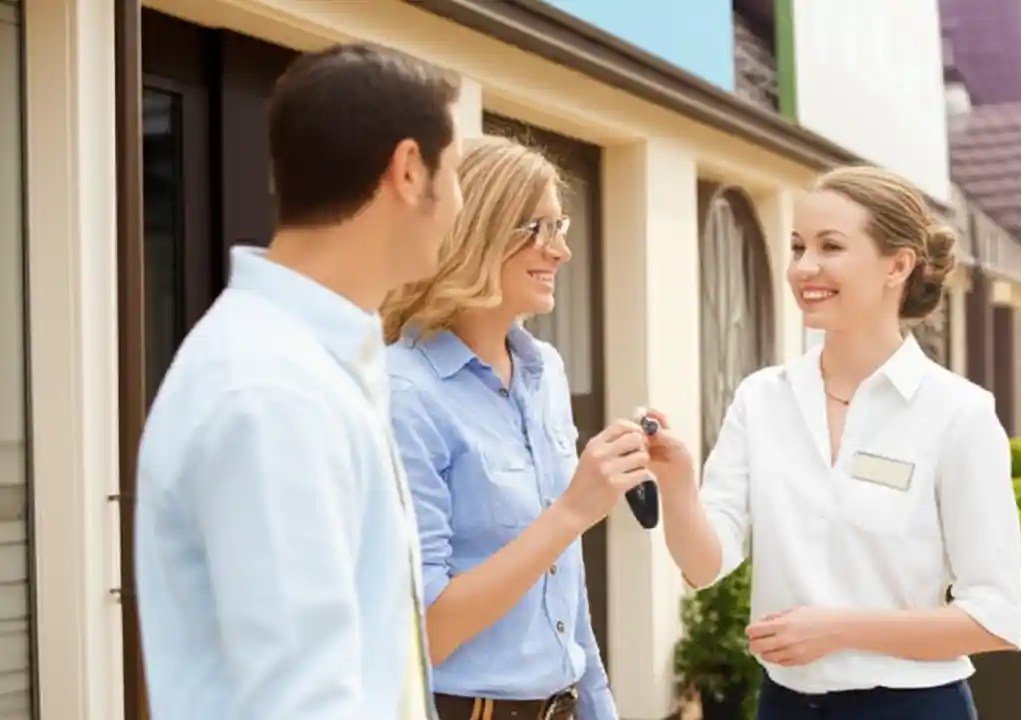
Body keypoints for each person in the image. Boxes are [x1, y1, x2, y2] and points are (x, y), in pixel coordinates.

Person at [133, 43, 463, 720]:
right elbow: (304, 701)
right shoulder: (271, 391)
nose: (460, 204)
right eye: (455, 173)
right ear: (407, 170)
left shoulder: (312, 365)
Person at [649, 166, 1021, 719]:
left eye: (830, 247)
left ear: (898, 265)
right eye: (798, 246)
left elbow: (996, 619)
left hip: (914, 709)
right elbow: (706, 566)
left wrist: (840, 630)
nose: (805, 268)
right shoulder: (761, 400)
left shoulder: (958, 415)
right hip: (785, 707)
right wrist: (677, 482)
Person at [382, 136, 641, 720]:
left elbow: (564, 589)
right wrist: (572, 511)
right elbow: (426, 631)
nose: (563, 252)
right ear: (479, 230)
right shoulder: (404, 394)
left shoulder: (543, 371)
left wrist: (600, 706)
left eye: (561, 227)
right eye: (541, 228)